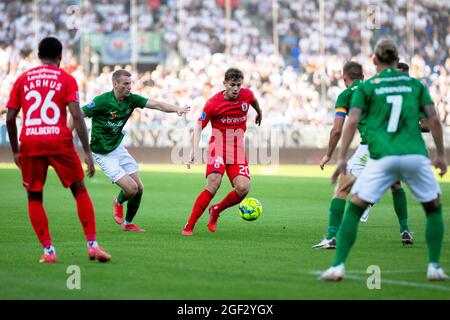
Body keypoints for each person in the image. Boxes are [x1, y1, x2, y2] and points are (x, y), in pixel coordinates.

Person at [321, 39, 448, 281]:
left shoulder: (368, 88)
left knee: (355, 207)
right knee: (433, 208)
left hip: (382, 156)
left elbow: (352, 122)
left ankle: (337, 266)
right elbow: (433, 121)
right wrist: (441, 155)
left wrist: (340, 158)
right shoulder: (415, 85)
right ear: (397, 59)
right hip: (414, 155)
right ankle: (434, 267)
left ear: (375, 61)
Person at [6, 37, 111, 263]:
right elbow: (76, 116)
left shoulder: (22, 79)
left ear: (38, 55)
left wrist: (15, 151)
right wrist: (87, 152)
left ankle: (48, 251)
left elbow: (11, 116)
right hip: (58, 140)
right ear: (60, 57)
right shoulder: (66, 79)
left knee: (34, 196)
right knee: (79, 190)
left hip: (31, 143)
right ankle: (92, 246)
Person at [313, 61, 413, 249]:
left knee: (341, 189)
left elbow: (336, 130)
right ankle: (405, 229)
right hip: (393, 143)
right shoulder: (376, 88)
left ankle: (332, 236)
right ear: (363, 76)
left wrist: (328, 154)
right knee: (395, 185)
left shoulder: (346, 95)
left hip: (370, 146)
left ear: (344, 78)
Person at [79, 69, 190, 232]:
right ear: (115, 84)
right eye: (126, 84)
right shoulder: (102, 101)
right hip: (102, 153)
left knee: (139, 188)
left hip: (117, 147)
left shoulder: (132, 100)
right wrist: (66, 137)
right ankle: (117, 202)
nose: (130, 87)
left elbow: (157, 104)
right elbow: (77, 114)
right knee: (131, 189)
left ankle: (128, 223)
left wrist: (176, 109)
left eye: (130, 83)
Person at [181, 68, 262, 236]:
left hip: (237, 150)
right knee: (213, 183)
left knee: (243, 188)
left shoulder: (246, 95)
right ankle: (189, 226)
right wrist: (194, 151)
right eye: (232, 85)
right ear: (224, 84)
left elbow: (253, 100)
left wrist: (259, 113)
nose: (235, 89)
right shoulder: (213, 103)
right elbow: (198, 126)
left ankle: (216, 210)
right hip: (217, 147)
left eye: (238, 85)